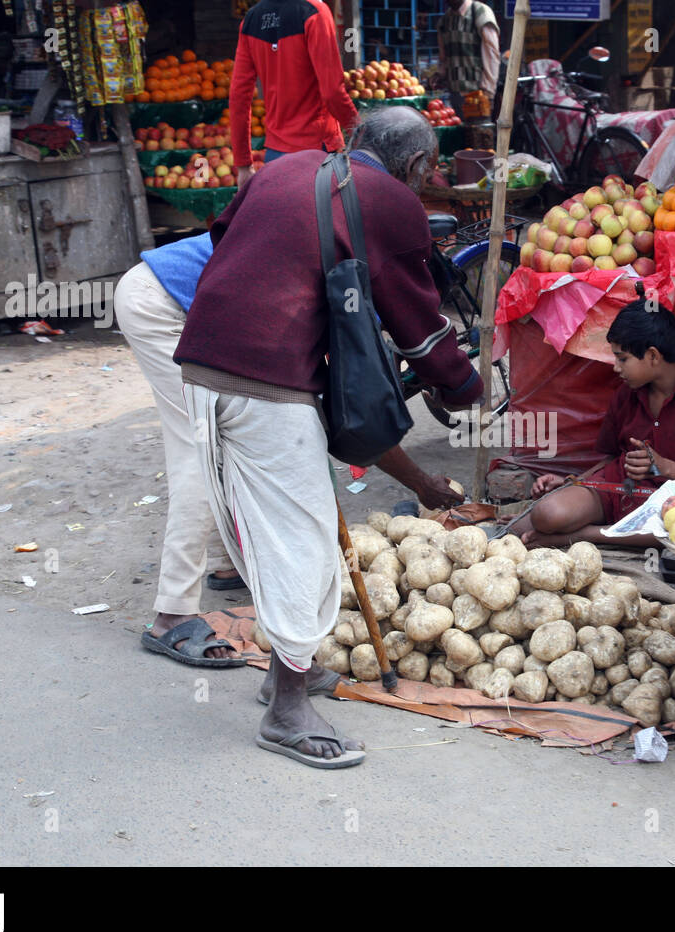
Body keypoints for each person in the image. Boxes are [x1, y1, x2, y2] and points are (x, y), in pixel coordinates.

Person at [174, 107, 483, 768]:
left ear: (356, 140)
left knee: (276, 526)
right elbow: (419, 328)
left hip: (202, 363)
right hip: (265, 378)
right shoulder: (393, 202)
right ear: (416, 169)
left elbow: (225, 237)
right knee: (302, 542)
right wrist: (462, 389)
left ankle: (288, 670)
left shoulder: (283, 168)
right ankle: (287, 711)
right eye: (426, 174)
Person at [113, 235, 468, 672]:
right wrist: (418, 482)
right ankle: (173, 612)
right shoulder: (359, 292)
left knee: (229, 438)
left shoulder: (366, 268)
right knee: (199, 450)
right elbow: (353, 416)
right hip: (166, 304)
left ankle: (229, 565)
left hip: (200, 306)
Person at [512, 296, 675, 548]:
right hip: (619, 489)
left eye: (623, 359)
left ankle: (586, 535)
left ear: (652, 356)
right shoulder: (627, 393)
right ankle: (592, 532)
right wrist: (573, 482)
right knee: (540, 517)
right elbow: (611, 458)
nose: (616, 368)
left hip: (673, 504)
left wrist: (665, 467)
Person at [227, 0, 360, 187]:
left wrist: (243, 165)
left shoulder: (251, 19)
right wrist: (359, 132)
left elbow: (238, 96)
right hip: (316, 152)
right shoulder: (315, 13)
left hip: (275, 155)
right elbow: (332, 92)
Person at [436, 0, 501, 112]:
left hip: (478, 96)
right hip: (455, 95)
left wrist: (488, 94)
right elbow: (444, 58)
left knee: (479, 129)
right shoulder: (444, 21)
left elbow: (492, 55)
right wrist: (439, 75)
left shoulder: (480, 12)